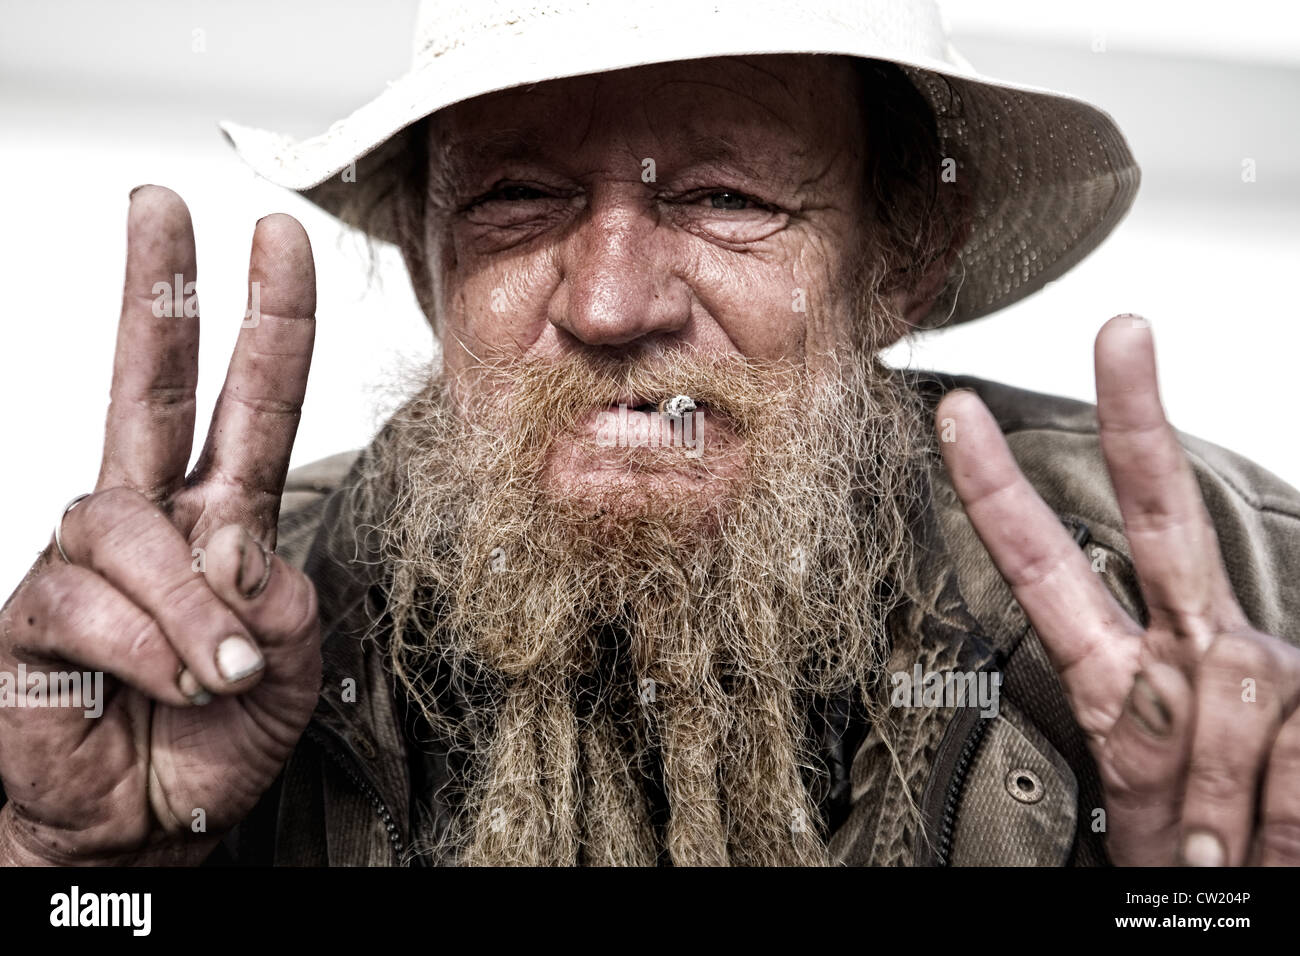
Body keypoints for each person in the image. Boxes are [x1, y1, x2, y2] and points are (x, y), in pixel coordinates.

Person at [2, 0, 1298, 867]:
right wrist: (78, 871)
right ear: (428, 264)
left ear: (902, 259)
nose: (612, 303)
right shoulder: (197, 640)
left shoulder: (1211, 610)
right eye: (517, 198)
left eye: (730, 196)